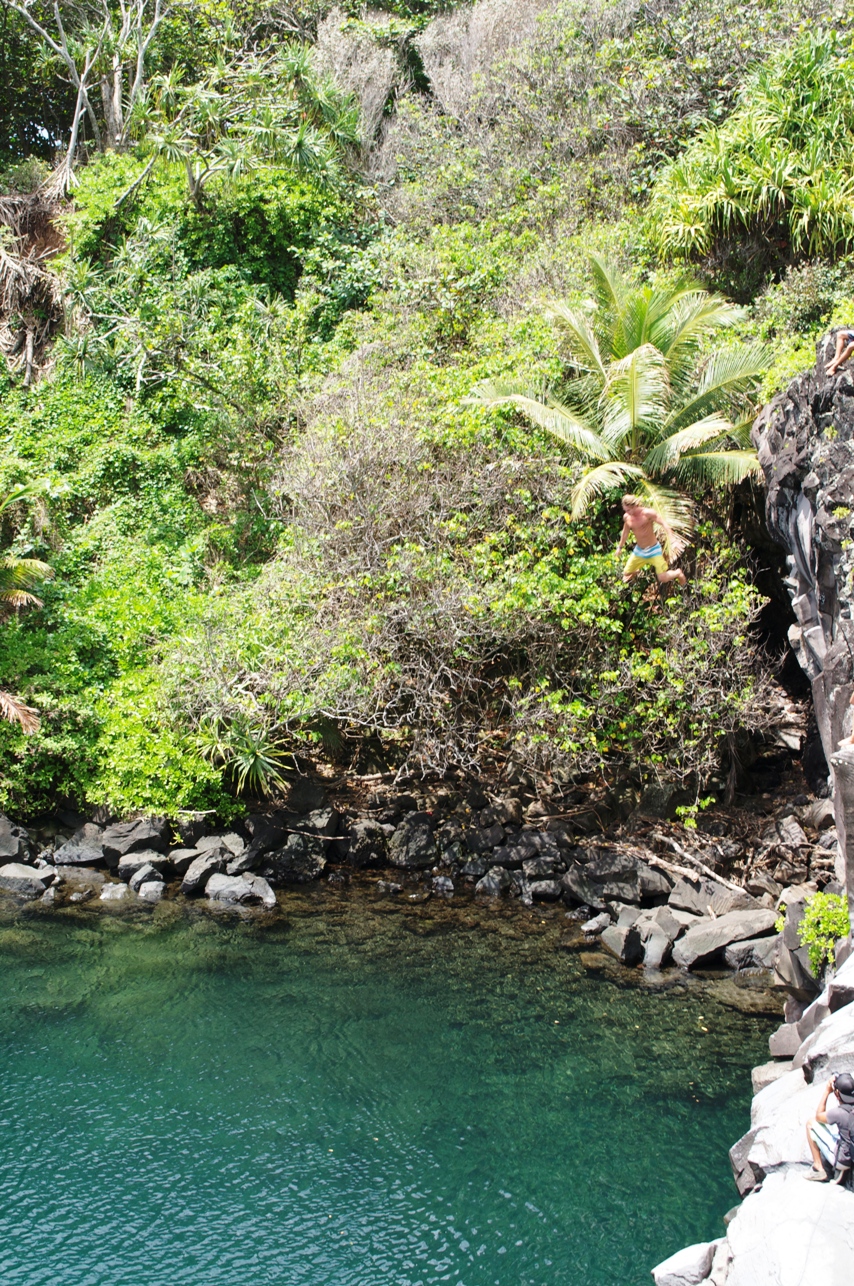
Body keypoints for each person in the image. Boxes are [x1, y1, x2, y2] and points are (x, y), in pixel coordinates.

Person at [616, 494, 687, 587]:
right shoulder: (627, 517)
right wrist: (620, 547)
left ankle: (678, 573)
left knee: (663, 578)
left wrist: (672, 539)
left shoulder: (647, 513)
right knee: (626, 573)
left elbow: (664, 523)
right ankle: (636, 570)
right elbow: (625, 532)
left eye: (628, 510)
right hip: (640, 551)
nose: (627, 512)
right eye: (625, 510)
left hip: (654, 550)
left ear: (634, 506)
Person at [804, 1071, 854, 1182]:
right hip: (852, 1153)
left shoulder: (838, 1113)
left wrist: (827, 1091)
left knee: (810, 1124)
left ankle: (819, 1168)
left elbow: (818, 1117)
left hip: (843, 1160)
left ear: (837, 1093)